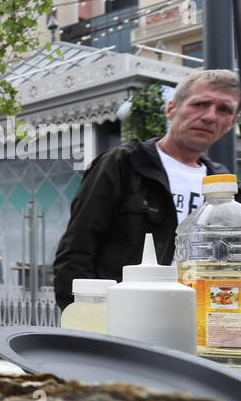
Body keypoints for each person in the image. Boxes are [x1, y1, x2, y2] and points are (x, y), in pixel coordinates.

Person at [54, 69, 241, 309]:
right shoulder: (124, 164)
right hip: (126, 319)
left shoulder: (223, 184)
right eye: (200, 104)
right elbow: (77, 250)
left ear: (232, 123)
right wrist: (83, 318)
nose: (210, 116)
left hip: (203, 321)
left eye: (224, 109)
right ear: (171, 108)